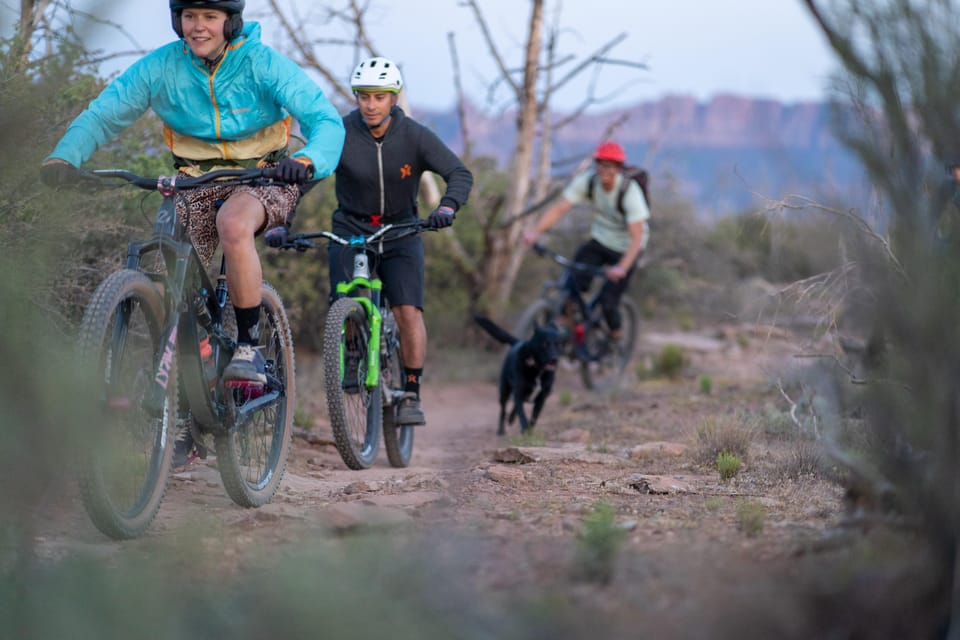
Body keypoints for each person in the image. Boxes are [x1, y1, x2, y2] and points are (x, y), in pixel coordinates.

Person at [41, 0, 345, 466]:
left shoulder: (261, 63)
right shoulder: (162, 67)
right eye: (189, 16)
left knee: (233, 224)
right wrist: (66, 156)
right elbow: (105, 113)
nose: (197, 26)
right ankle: (187, 401)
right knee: (176, 276)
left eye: (209, 16)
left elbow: (326, 120)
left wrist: (305, 161)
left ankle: (247, 346)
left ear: (231, 21)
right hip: (194, 180)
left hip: (265, 176)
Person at [330, 56, 473, 426]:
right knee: (343, 298)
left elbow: (458, 173)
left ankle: (411, 391)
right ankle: (350, 353)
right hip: (350, 227)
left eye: (380, 97)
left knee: (407, 312)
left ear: (394, 99)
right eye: (364, 96)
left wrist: (447, 206)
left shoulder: (415, 136)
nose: (371, 105)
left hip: (402, 231)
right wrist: (284, 218)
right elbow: (307, 174)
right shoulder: (340, 132)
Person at [522, 141, 650, 342]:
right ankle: (567, 335)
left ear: (618, 168)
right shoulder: (589, 182)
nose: (603, 170)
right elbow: (560, 208)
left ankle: (616, 339)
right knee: (571, 285)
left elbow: (637, 237)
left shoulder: (629, 192)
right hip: (600, 241)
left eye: (609, 166)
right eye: (600, 164)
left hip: (627, 249)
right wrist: (535, 233)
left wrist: (622, 268)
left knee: (609, 302)